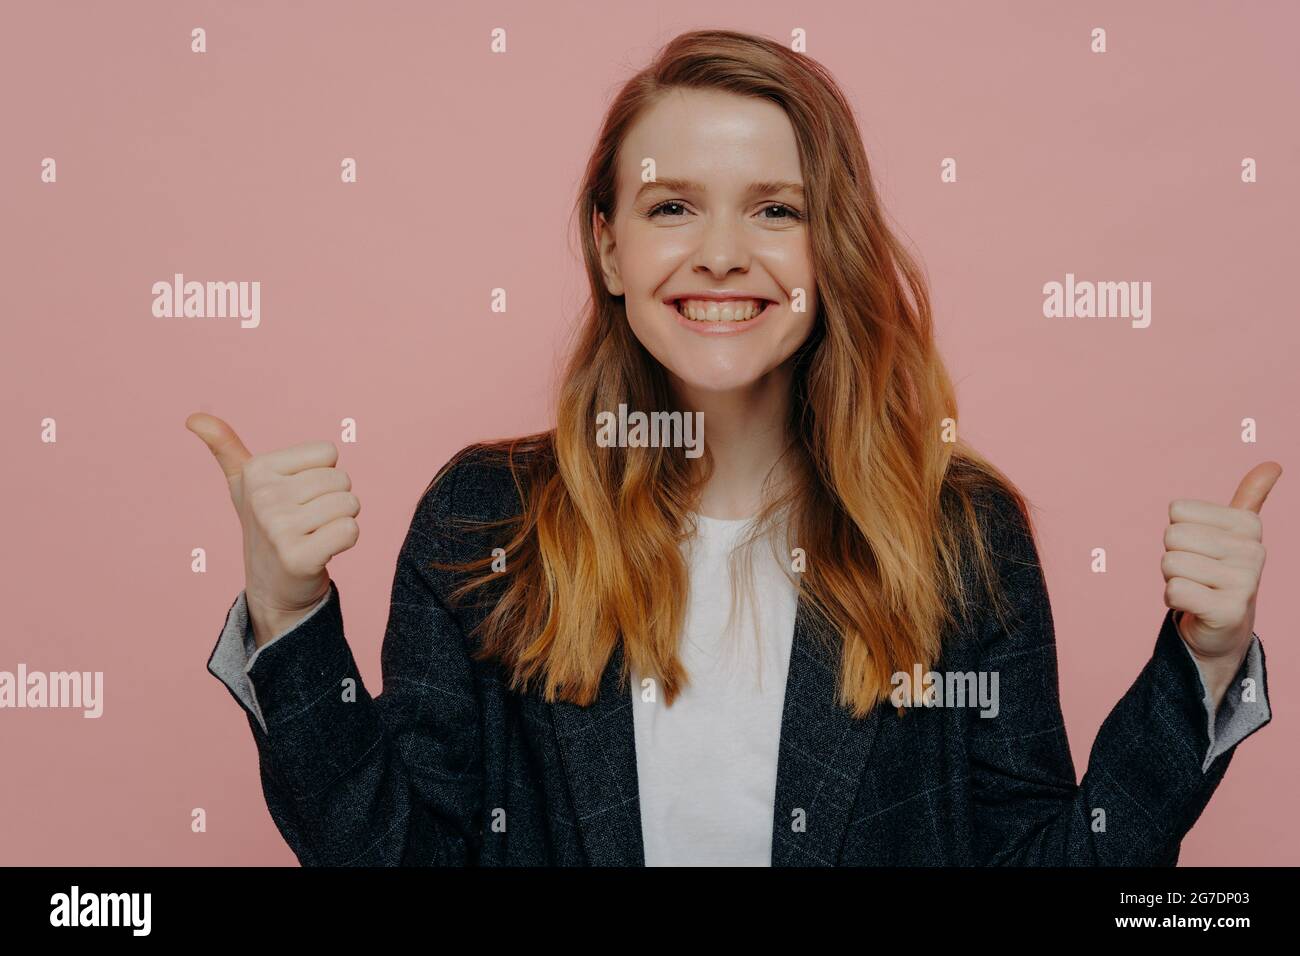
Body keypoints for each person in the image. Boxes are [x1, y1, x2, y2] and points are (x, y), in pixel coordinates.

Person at [188, 29, 1276, 866]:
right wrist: (289, 614)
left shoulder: (958, 534)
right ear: (609, 245)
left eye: (773, 210)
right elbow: (398, 855)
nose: (719, 254)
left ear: (831, 245)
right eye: (670, 207)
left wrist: (1200, 666)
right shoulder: (487, 516)